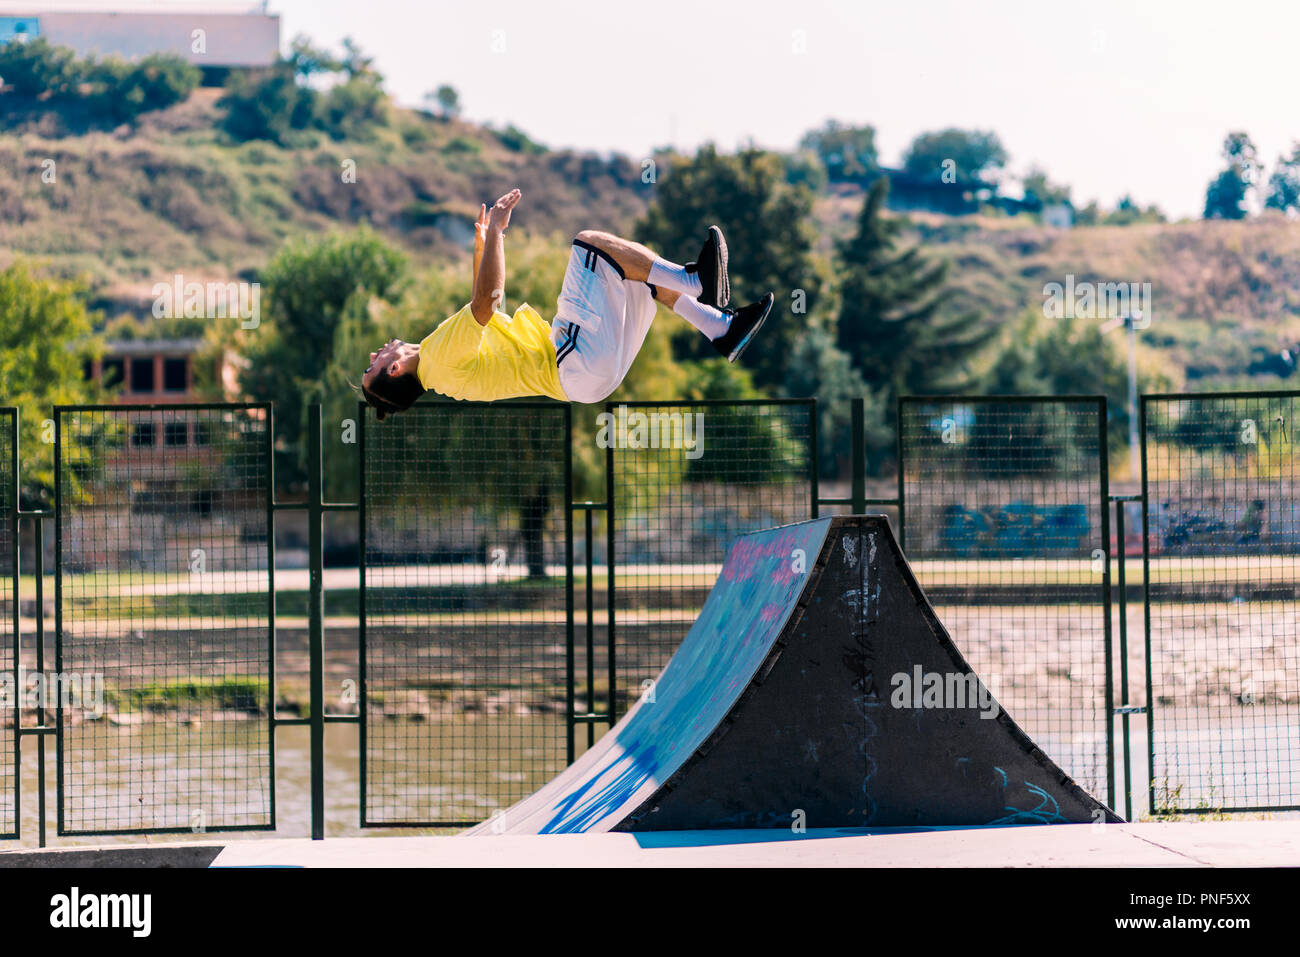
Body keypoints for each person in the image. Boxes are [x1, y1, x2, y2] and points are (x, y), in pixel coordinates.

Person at [360, 187, 773, 418]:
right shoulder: (437, 357)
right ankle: (696, 280)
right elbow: (486, 301)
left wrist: (484, 248)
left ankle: (721, 328)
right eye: (373, 365)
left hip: (588, 378)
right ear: (395, 370)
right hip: (574, 363)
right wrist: (499, 234)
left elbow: (491, 318)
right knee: (590, 243)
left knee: (635, 271)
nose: (375, 354)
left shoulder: (444, 371)